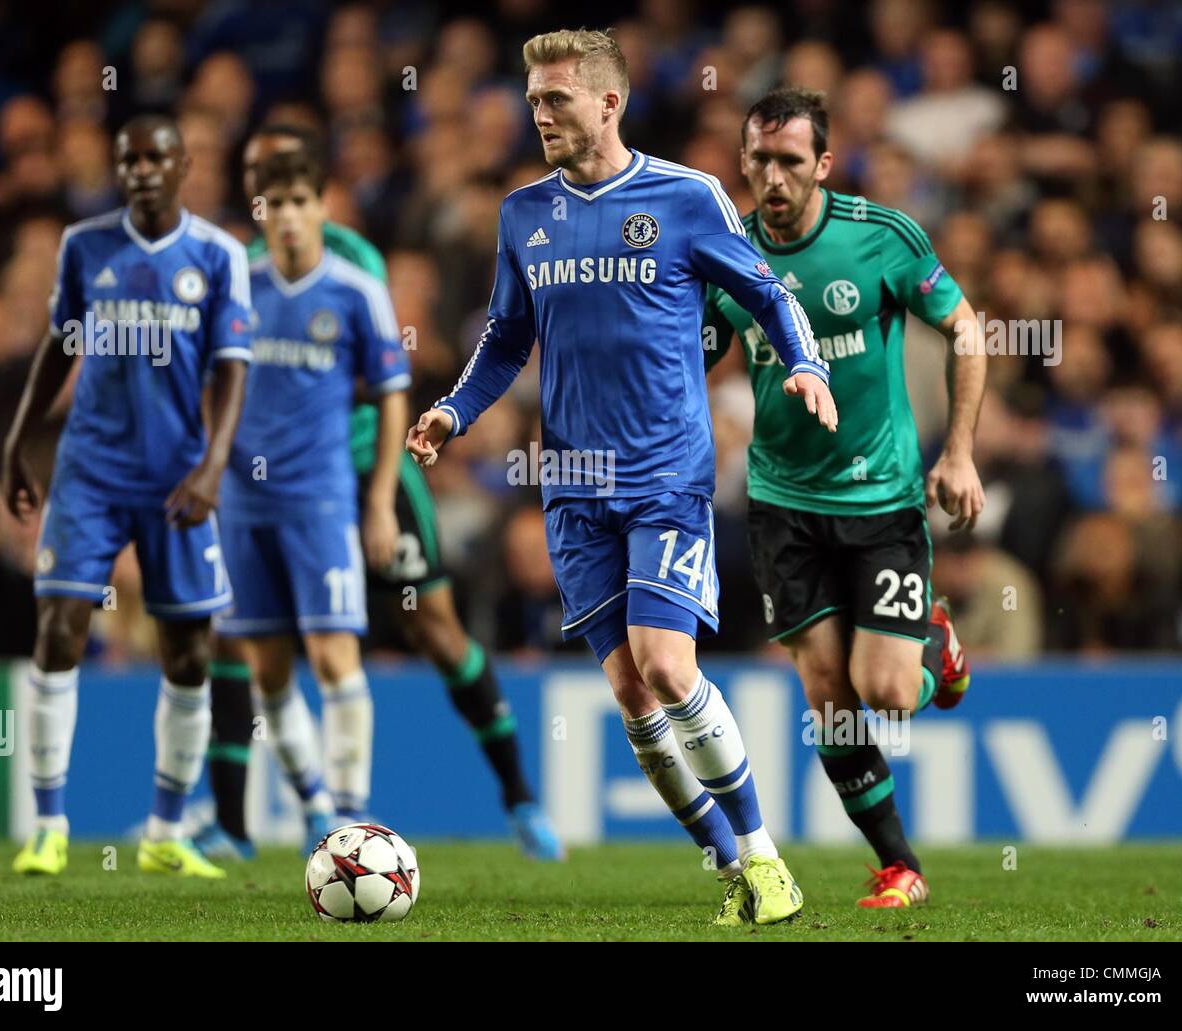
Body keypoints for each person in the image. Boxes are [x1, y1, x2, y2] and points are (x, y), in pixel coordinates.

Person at [407, 29, 836, 925]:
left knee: (669, 667)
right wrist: (454, 409)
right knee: (631, 692)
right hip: (572, 486)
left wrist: (806, 364)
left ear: (610, 102)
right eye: (533, 100)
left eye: (557, 97)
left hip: (665, 473)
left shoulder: (685, 197)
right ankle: (726, 864)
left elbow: (768, 291)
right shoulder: (524, 212)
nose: (540, 113)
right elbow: (506, 336)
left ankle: (765, 859)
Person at [195, 124, 563, 863]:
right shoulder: (240, 274)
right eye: (259, 181)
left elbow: (376, 374)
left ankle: (519, 796)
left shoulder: (352, 264)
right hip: (269, 488)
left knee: (433, 625)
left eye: (293, 188)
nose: (279, 204)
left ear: (317, 197)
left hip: (365, 473)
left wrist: (367, 474)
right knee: (243, 640)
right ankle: (247, 820)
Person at [703, 86, 984, 908]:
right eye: (759, 159)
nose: (774, 176)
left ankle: (936, 643)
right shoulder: (726, 255)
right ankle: (901, 864)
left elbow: (967, 330)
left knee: (888, 693)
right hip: (782, 503)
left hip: (881, 497)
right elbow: (689, 362)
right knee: (831, 698)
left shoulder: (880, 238)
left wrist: (959, 451)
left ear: (824, 163)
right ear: (744, 161)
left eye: (792, 160)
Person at [2, 115, 251, 878]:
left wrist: (213, 466)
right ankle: (47, 825)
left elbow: (234, 366)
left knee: (188, 650)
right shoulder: (85, 245)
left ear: (183, 166)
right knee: (60, 628)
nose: (141, 169)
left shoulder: (219, 253)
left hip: (176, 475)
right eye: (129, 158)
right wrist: (18, 439)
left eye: (156, 157)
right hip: (92, 470)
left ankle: (164, 831)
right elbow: (58, 342)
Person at [211, 146, 409, 853]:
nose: (288, 217)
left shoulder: (357, 291)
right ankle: (317, 805)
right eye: (274, 204)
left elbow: (392, 397)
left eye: (301, 202)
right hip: (241, 502)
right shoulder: (236, 286)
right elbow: (211, 386)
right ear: (260, 213)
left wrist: (380, 499)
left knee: (333, 656)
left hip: (322, 500)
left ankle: (351, 813)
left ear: (323, 208)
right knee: (266, 668)